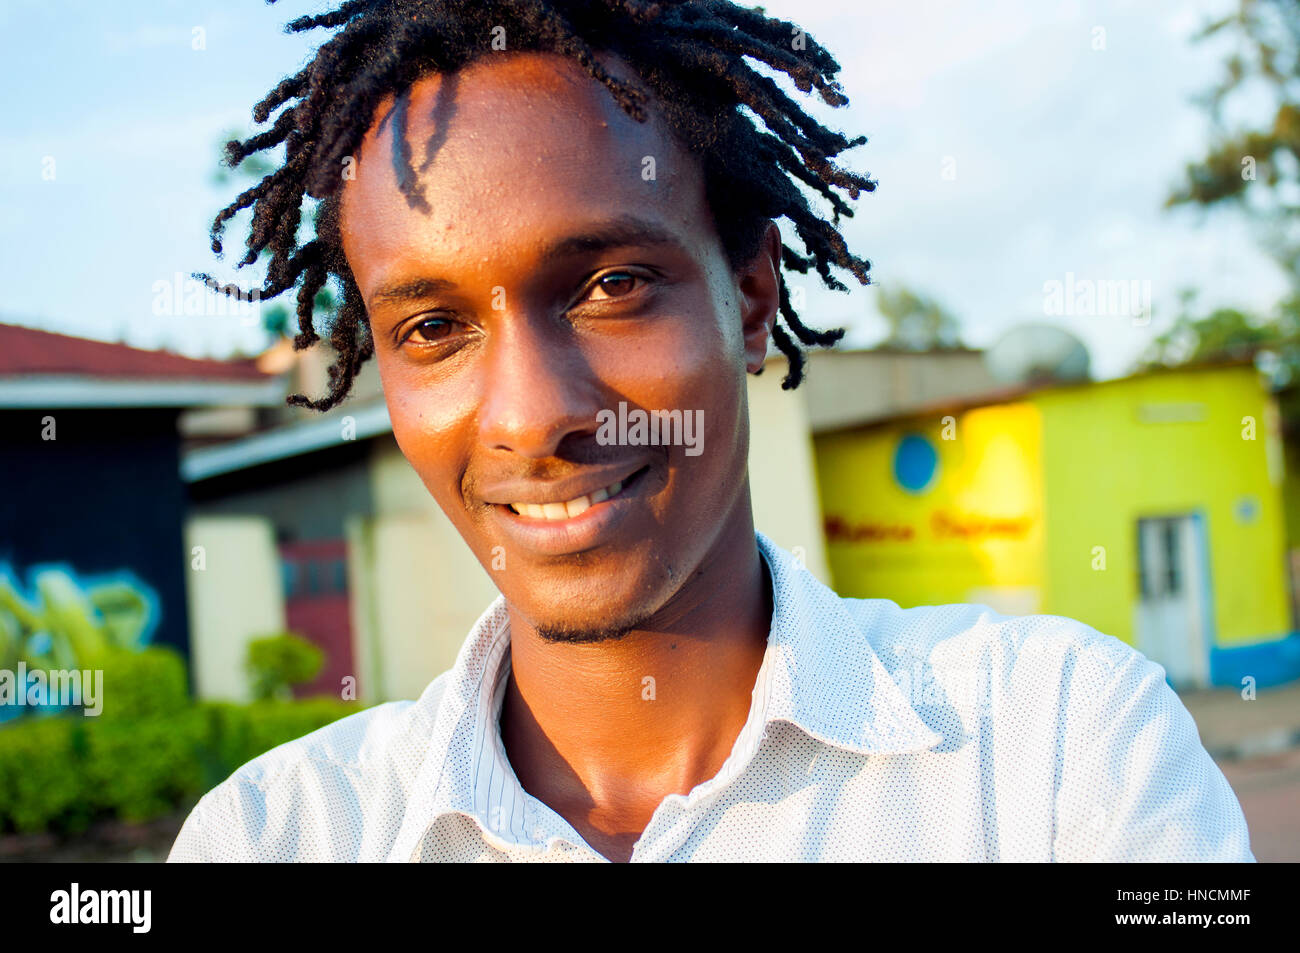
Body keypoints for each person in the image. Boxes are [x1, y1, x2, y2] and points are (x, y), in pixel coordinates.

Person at [168, 0, 1253, 862]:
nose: (534, 412)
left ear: (750, 296)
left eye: (611, 284)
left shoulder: (1054, 750)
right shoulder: (278, 837)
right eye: (434, 326)